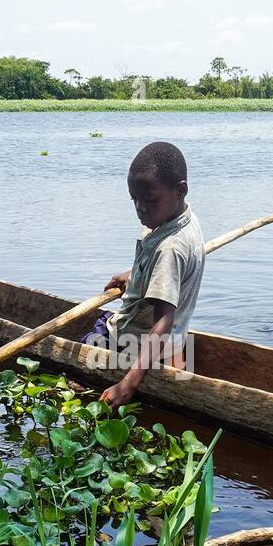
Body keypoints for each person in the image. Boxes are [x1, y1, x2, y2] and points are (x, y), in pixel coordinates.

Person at [87, 141, 204, 406]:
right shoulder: (184, 222)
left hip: (131, 346)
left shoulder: (170, 249)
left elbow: (162, 322)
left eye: (149, 200)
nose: (140, 208)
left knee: (89, 340)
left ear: (180, 190)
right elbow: (170, 271)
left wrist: (128, 384)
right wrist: (135, 275)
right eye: (134, 199)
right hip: (174, 347)